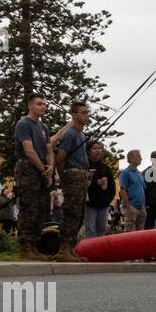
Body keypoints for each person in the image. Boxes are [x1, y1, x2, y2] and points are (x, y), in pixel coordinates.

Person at [13, 93, 53, 261]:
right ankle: (26, 247)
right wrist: (43, 169)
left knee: (41, 209)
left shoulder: (44, 127)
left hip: (42, 169)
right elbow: (29, 151)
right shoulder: (23, 124)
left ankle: (35, 246)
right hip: (28, 169)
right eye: (39, 103)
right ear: (30, 105)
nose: (43, 106)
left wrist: (50, 167)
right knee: (28, 208)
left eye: (44, 104)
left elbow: (49, 150)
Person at [52, 101, 92, 262]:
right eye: (83, 112)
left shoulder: (81, 135)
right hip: (73, 174)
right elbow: (60, 158)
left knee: (79, 214)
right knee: (71, 213)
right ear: (74, 115)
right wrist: (64, 178)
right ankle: (63, 249)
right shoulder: (70, 134)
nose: (86, 116)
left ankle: (70, 248)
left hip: (81, 175)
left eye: (87, 112)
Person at [85, 141, 115, 239]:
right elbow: (82, 183)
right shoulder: (84, 166)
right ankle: (90, 248)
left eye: (99, 148)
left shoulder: (105, 167)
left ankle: (99, 248)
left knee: (102, 229)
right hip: (89, 204)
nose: (98, 150)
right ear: (88, 151)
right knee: (90, 229)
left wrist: (108, 200)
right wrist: (95, 182)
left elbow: (112, 186)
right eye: (94, 148)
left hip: (104, 204)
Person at [118, 149, 147, 232]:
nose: (141, 158)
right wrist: (128, 207)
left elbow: (142, 189)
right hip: (131, 206)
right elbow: (122, 190)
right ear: (131, 159)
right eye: (138, 156)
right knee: (130, 232)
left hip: (141, 207)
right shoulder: (125, 173)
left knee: (140, 232)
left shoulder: (139, 173)